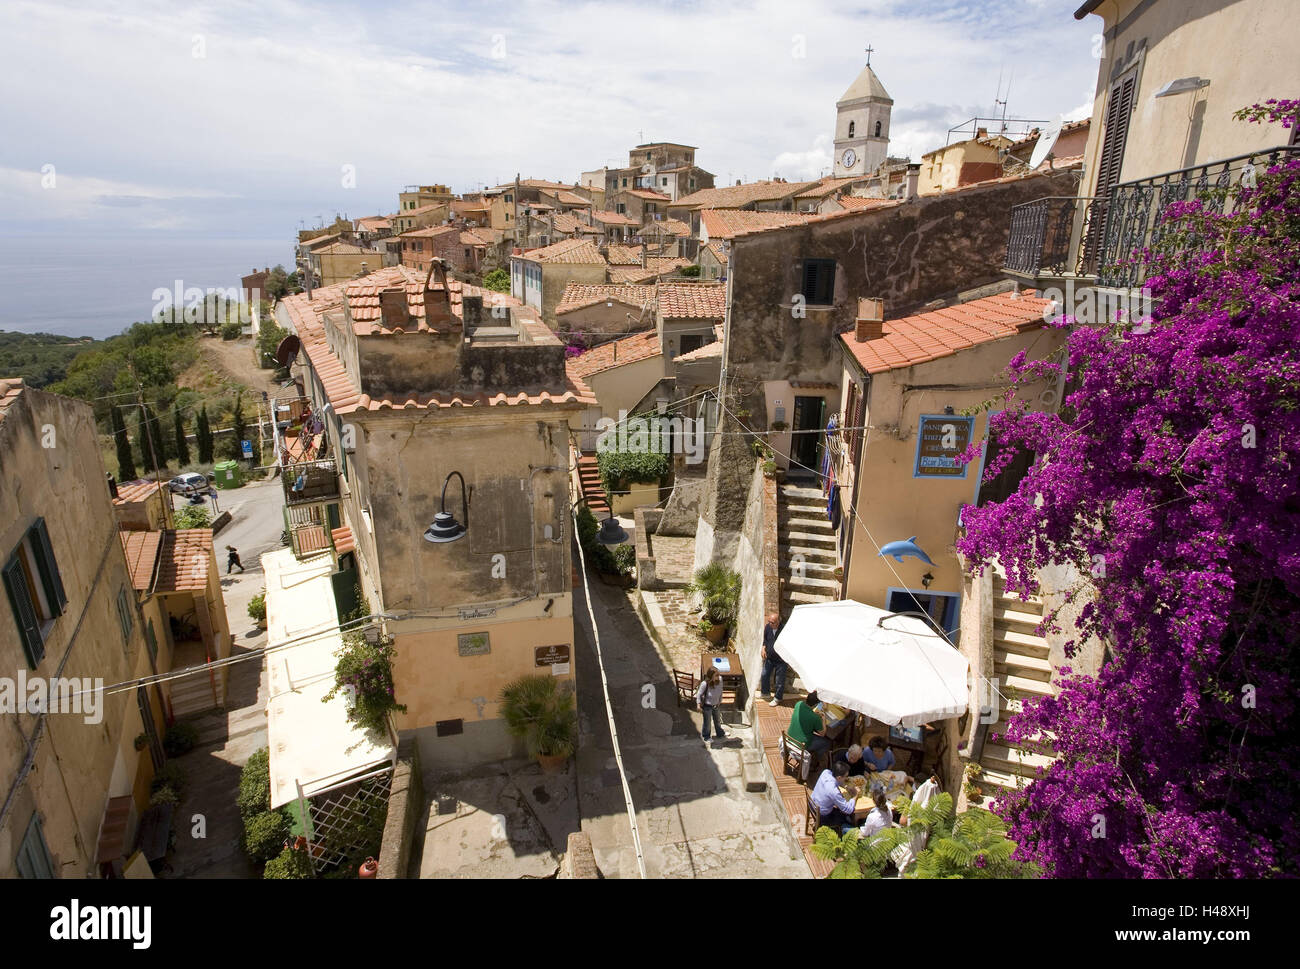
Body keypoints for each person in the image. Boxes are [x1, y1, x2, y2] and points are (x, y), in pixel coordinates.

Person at [810, 761, 857, 831]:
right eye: (845, 777)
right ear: (839, 777)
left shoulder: (825, 772)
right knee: (848, 817)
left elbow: (836, 782)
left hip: (812, 805)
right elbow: (848, 810)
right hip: (823, 816)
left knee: (839, 807)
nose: (846, 778)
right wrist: (855, 796)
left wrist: (846, 786)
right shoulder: (834, 791)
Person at [759, 612, 786, 706]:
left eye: (772, 622)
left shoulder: (784, 630)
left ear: (778, 622)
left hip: (781, 660)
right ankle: (765, 693)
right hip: (770, 658)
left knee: (779, 681)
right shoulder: (768, 627)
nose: (770, 624)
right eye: (769, 621)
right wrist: (763, 648)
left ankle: (778, 698)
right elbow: (765, 639)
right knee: (764, 674)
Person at [697, 667, 726, 743]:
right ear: (711, 676)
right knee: (707, 722)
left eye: (718, 674)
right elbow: (699, 695)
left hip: (716, 705)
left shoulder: (720, 680)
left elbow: (721, 690)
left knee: (717, 720)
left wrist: (720, 700)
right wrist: (698, 705)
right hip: (707, 706)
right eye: (716, 675)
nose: (718, 676)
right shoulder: (704, 684)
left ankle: (720, 733)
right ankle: (706, 736)